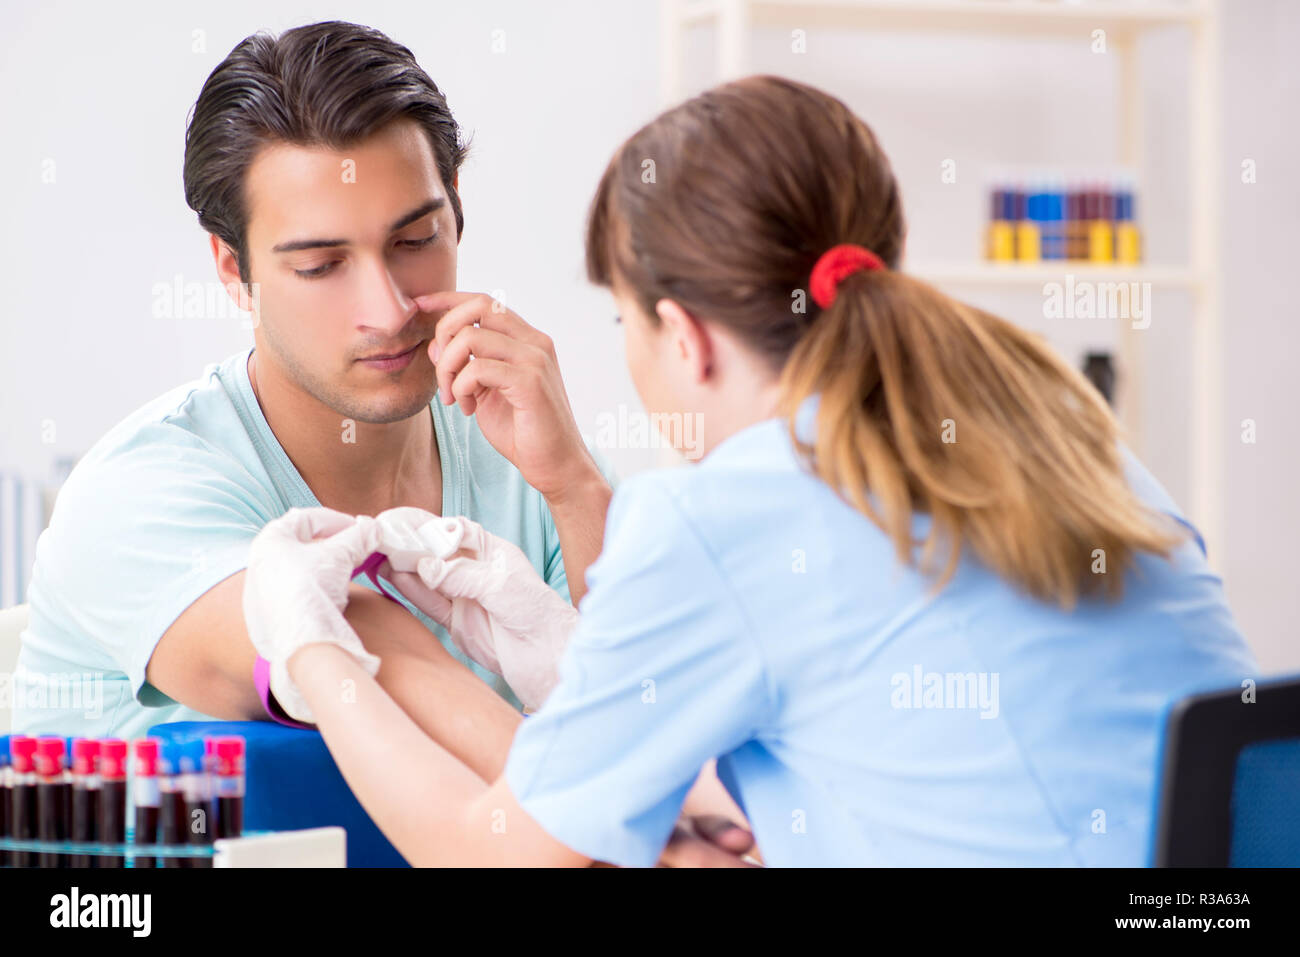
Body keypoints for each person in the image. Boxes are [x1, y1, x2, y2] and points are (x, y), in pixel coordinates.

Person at [244, 75, 1257, 867]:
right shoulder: (1067, 436)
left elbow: (495, 851)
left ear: (681, 335)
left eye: (622, 323)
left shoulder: (727, 512)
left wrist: (313, 651)